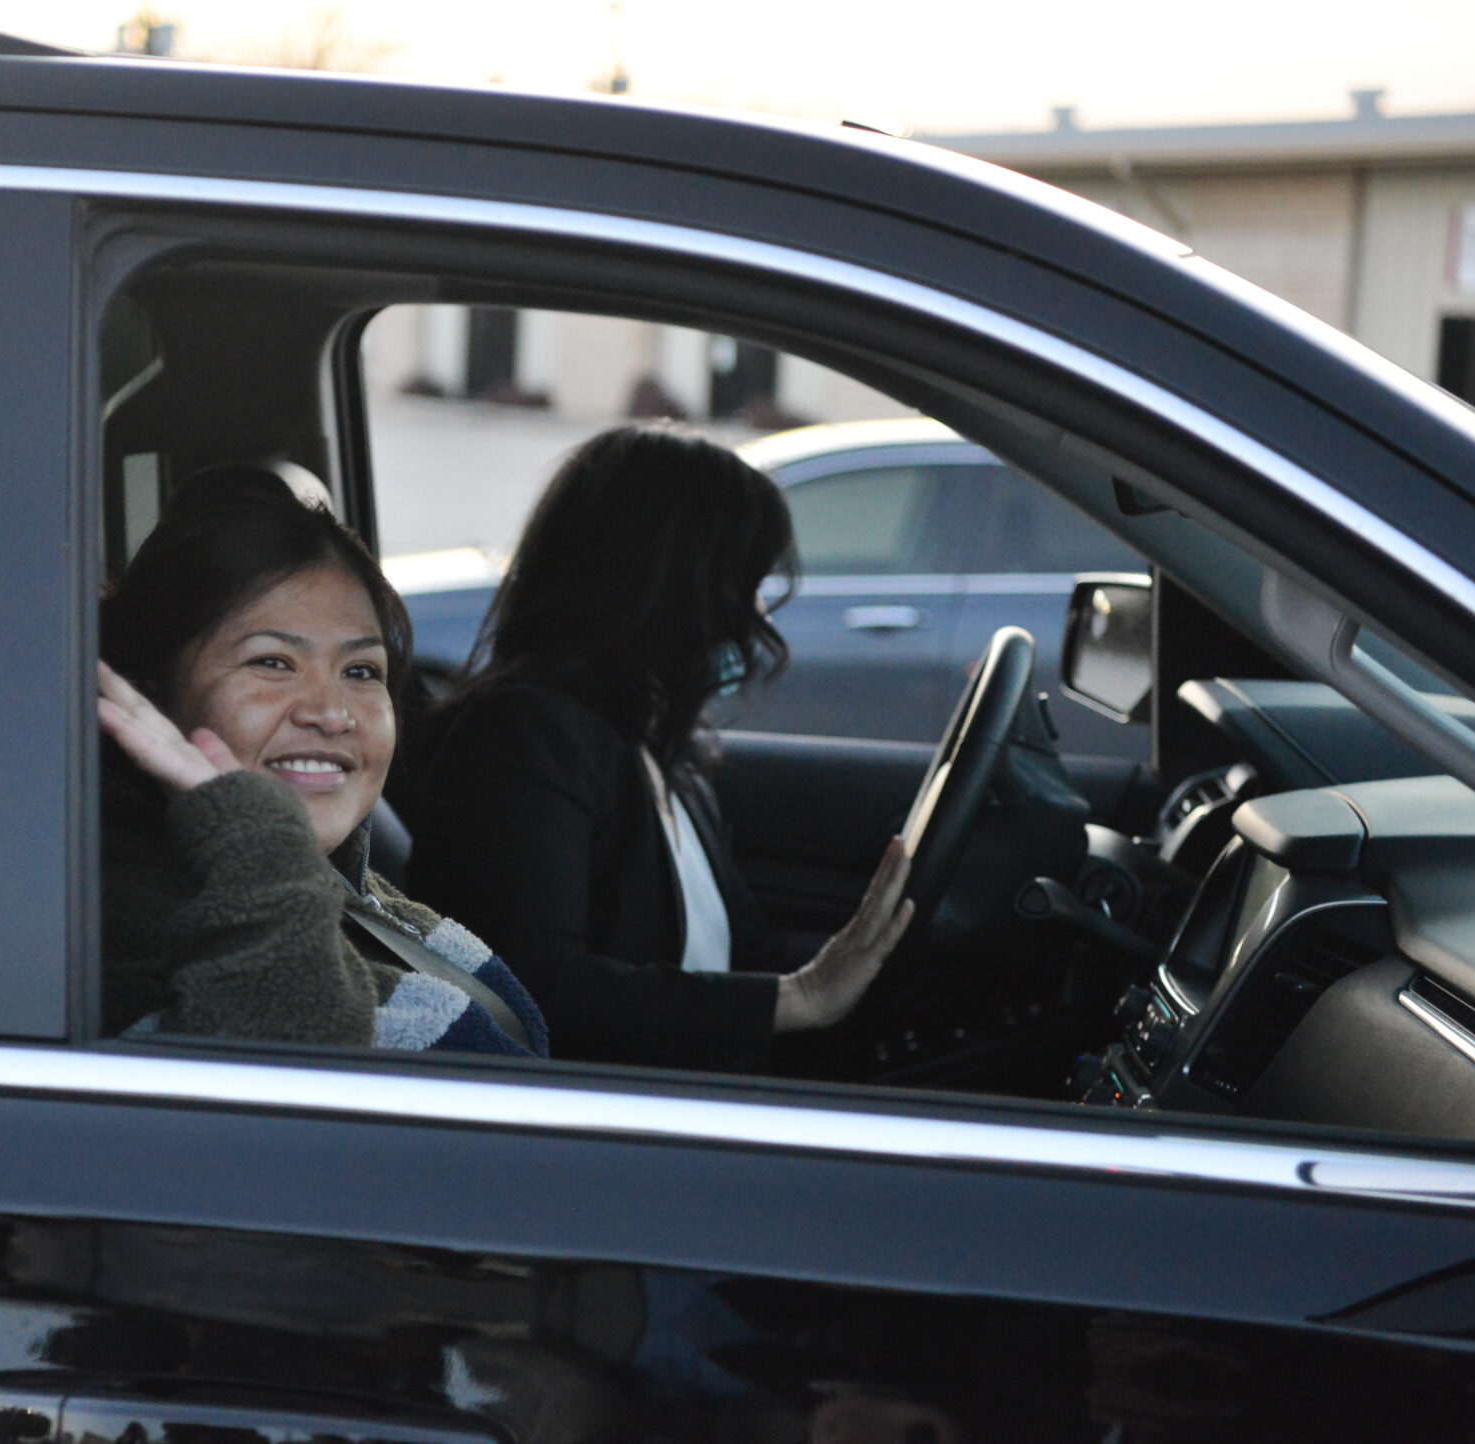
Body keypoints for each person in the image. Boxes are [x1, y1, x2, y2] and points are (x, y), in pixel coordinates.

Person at [402, 426, 914, 1072]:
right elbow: (533, 987)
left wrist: (881, 969)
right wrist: (800, 998)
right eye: (742, 584)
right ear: (665, 584)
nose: (756, 612)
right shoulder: (524, 737)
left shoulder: (659, 748)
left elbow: (745, 950)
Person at [97, 467, 547, 1057]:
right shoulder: (115, 926)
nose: (333, 714)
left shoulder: (350, 888)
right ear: (150, 695)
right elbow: (277, 1107)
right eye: (273, 663)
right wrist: (255, 843)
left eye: (361, 671)